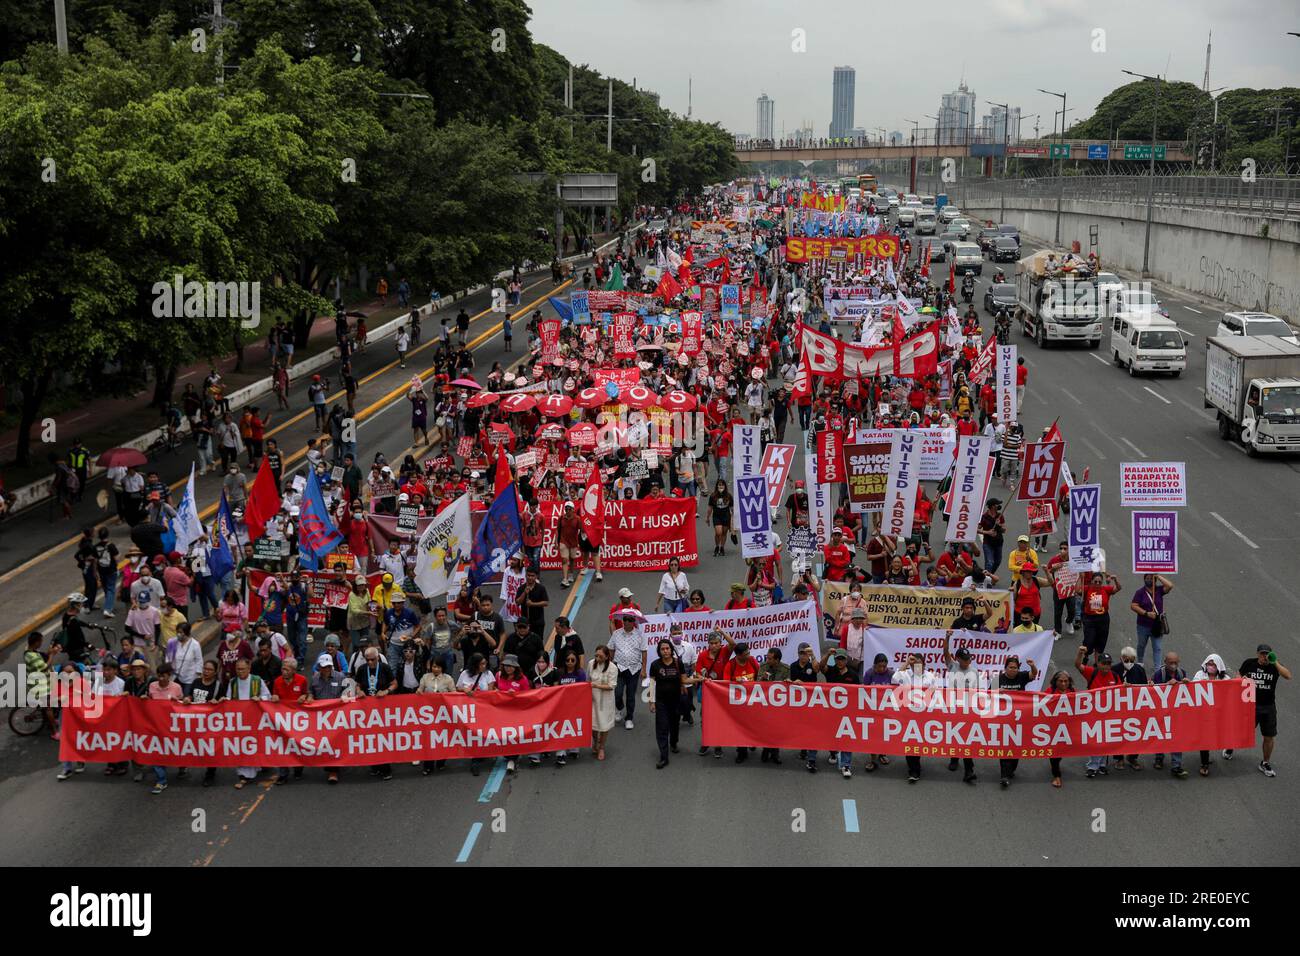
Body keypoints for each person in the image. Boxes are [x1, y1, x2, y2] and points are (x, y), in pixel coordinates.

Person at [1240, 643, 1290, 778]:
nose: (1264, 657)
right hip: (1251, 705)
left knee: (1269, 736)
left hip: (1268, 707)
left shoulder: (1274, 666)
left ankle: (1265, 762)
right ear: (1257, 654)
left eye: (1266, 654)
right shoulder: (1249, 664)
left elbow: (1288, 675)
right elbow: (1238, 677)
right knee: (1243, 731)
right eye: (1262, 654)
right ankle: (1230, 747)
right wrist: (1241, 680)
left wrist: (1275, 662)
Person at [222, 657, 271, 788]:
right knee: (242, 746)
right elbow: (229, 697)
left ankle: (256, 767)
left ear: (249, 669)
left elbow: (268, 696)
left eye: (242, 669)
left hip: (254, 719)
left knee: (253, 744)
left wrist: (260, 698)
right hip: (240, 721)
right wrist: (223, 700)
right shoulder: (233, 682)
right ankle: (244, 775)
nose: (240, 672)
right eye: (238, 669)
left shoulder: (257, 680)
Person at [1074, 645, 1121, 778]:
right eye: (1104, 663)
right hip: (1093, 713)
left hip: (1109, 714)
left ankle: (1102, 765)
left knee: (1106, 740)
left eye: (1109, 664)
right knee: (1095, 740)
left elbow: (1122, 692)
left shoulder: (1115, 676)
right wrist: (1080, 653)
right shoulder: (1092, 672)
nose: (1107, 666)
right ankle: (1092, 766)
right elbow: (1078, 665)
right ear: (1098, 664)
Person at [648, 639, 695, 769]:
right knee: (662, 728)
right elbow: (652, 684)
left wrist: (698, 679)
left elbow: (684, 679)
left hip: (676, 701)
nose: (665, 651)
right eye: (662, 649)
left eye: (667, 648)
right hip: (661, 702)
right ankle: (664, 757)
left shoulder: (677, 662)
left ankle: (673, 742)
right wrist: (652, 702)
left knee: (674, 726)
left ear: (671, 649)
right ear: (659, 651)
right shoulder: (655, 665)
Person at [353, 646, 396, 780]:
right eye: (368, 660)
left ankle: (386, 768)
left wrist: (386, 691)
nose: (370, 662)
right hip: (367, 710)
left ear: (377, 658)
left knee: (382, 739)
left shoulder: (384, 668)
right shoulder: (361, 669)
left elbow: (394, 683)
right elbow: (357, 684)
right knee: (370, 738)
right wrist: (359, 691)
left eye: (372, 660)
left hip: (383, 709)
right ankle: (374, 766)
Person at [893, 652, 938, 783]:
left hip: (923, 713)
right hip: (907, 713)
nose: (916, 665)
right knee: (909, 740)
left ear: (924, 664)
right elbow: (894, 678)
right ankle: (914, 769)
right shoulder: (906, 674)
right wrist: (907, 663)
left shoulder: (930, 676)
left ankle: (915, 766)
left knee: (918, 741)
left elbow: (935, 694)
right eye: (914, 662)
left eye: (919, 662)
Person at [995, 656, 1038, 787]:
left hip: (1020, 717)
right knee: (1005, 746)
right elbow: (990, 694)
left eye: (1015, 668)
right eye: (1010, 667)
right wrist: (998, 692)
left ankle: (1011, 769)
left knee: (1016, 745)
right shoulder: (998, 679)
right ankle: (1004, 775)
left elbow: (1033, 674)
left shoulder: (1022, 676)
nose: (1013, 670)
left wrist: (1032, 665)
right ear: (1005, 668)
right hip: (1004, 717)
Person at [1151, 650, 1190, 779]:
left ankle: (1176, 765)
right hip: (1161, 711)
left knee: (1177, 737)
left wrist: (1186, 683)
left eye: (1175, 662)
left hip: (1176, 712)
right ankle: (1159, 757)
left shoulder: (1181, 673)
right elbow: (1152, 692)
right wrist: (1166, 685)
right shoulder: (1158, 674)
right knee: (1161, 734)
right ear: (1165, 662)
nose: (1173, 665)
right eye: (1170, 662)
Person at [1194, 654, 1232, 776]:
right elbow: (1192, 688)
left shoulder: (1225, 678)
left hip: (1219, 714)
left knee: (1218, 735)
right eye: (1209, 664)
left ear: (1219, 666)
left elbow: (1232, 692)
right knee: (1204, 738)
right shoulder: (1200, 675)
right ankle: (1204, 763)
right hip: (1203, 713)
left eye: (1213, 664)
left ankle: (1228, 748)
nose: (1211, 666)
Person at [417, 658, 456, 774]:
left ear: (442, 668)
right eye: (434, 666)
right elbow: (420, 690)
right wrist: (418, 692)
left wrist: (444, 696)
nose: (436, 669)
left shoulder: (448, 679)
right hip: (428, 715)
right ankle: (428, 766)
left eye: (438, 667)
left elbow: (454, 694)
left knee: (442, 738)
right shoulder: (425, 677)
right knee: (428, 740)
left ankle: (441, 761)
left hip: (443, 714)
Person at [609, 612, 646, 730]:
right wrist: (610, 665)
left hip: (634, 669)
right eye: (625, 619)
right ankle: (619, 708)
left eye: (629, 620)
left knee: (630, 695)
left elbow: (644, 652)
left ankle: (629, 718)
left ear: (633, 621)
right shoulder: (616, 634)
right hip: (619, 668)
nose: (626, 622)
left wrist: (644, 669)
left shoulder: (640, 635)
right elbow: (611, 649)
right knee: (617, 693)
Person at [1130, 573, 1174, 670]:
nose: (1149, 580)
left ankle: (1157, 668)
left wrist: (1158, 576)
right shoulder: (1140, 592)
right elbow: (1133, 606)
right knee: (1141, 644)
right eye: (1147, 578)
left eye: (1151, 578)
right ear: (1144, 579)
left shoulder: (1159, 590)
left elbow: (1170, 586)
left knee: (1157, 647)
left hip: (1157, 625)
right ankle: (1140, 661)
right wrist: (1146, 613)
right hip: (1143, 625)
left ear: (1155, 581)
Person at [1079, 570, 1122, 664]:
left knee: (1100, 642)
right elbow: (1077, 590)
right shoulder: (1087, 589)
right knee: (1089, 640)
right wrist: (1080, 577)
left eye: (1099, 582)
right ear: (1092, 581)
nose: (1097, 584)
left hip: (1103, 619)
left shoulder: (1105, 589)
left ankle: (1097, 663)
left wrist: (1115, 580)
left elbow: (1118, 588)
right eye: (1095, 581)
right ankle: (1086, 655)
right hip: (1089, 619)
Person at [756, 648, 790, 764]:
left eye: (770, 658)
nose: (767, 660)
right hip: (765, 703)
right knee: (766, 729)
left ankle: (775, 753)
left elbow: (789, 685)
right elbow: (756, 684)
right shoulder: (763, 667)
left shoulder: (786, 669)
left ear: (777, 660)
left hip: (778, 705)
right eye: (767, 657)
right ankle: (765, 750)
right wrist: (762, 679)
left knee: (776, 729)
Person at [1043, 670, 1076, 788]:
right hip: (1053, 728)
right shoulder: (1049, 692)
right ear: (1055, 682)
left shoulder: (1072, 692)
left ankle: (1055, 765)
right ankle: (1057, 776)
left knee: (1062, 750)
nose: (1063, 683)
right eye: (1060, 681)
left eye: (1066, 681)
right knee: (1055, 751)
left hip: (1067, 727)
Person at [589, 644, 617, 760]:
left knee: (604, 726)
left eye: (600, 656)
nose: (597, 658)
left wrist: (596, 685)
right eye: (596, 656)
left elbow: (612, 686)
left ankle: (601, 747)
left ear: (606, 657)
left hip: (606, 702)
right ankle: (595, 741)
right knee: (593, 726)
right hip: (592, 700)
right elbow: (587, 679)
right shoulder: (591, 664)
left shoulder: (612, 668)